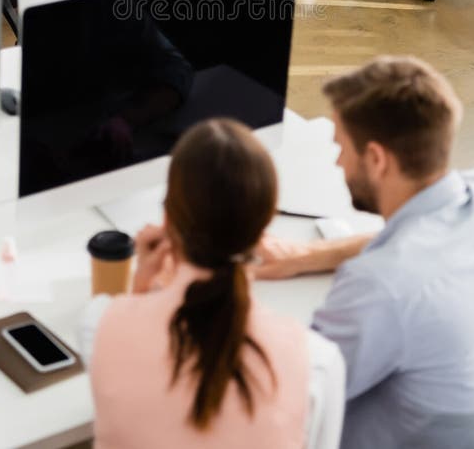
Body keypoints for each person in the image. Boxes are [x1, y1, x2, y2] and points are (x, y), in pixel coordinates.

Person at [255, 56, 474, 449]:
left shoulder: (381, 285)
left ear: (377, 159)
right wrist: (304, 255)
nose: (336, 161)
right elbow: (417, 245)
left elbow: (284, 394)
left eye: (341, 147)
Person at [84, 118, 345, 449]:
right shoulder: (318, 362)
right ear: (264, 228)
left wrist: (140, 289)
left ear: (168, 219)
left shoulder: (100, 325)